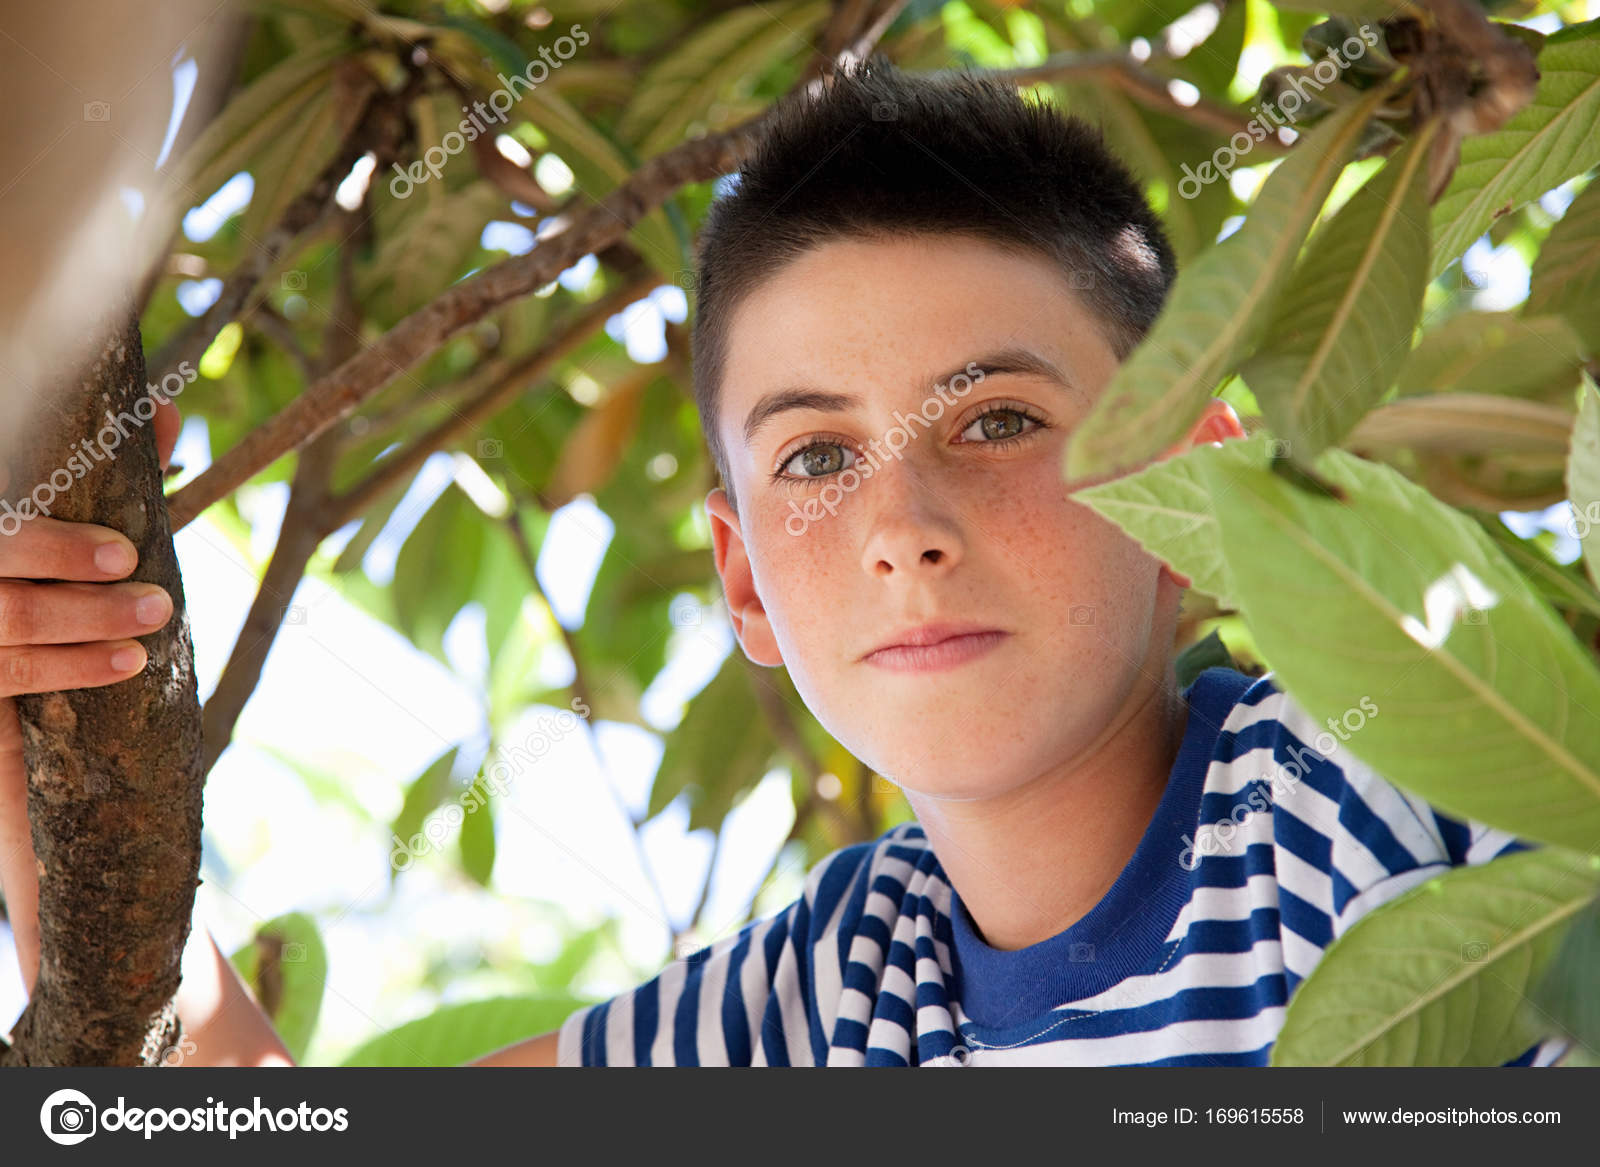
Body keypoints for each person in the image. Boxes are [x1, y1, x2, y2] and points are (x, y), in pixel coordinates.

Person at [0, 59, 1569, 1068]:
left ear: (1197, 484)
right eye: (817, 456)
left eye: (1000, 419)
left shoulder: (1376, 799)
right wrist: (31, 741)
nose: (903, 526)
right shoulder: (826, 994)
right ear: (744, 580)